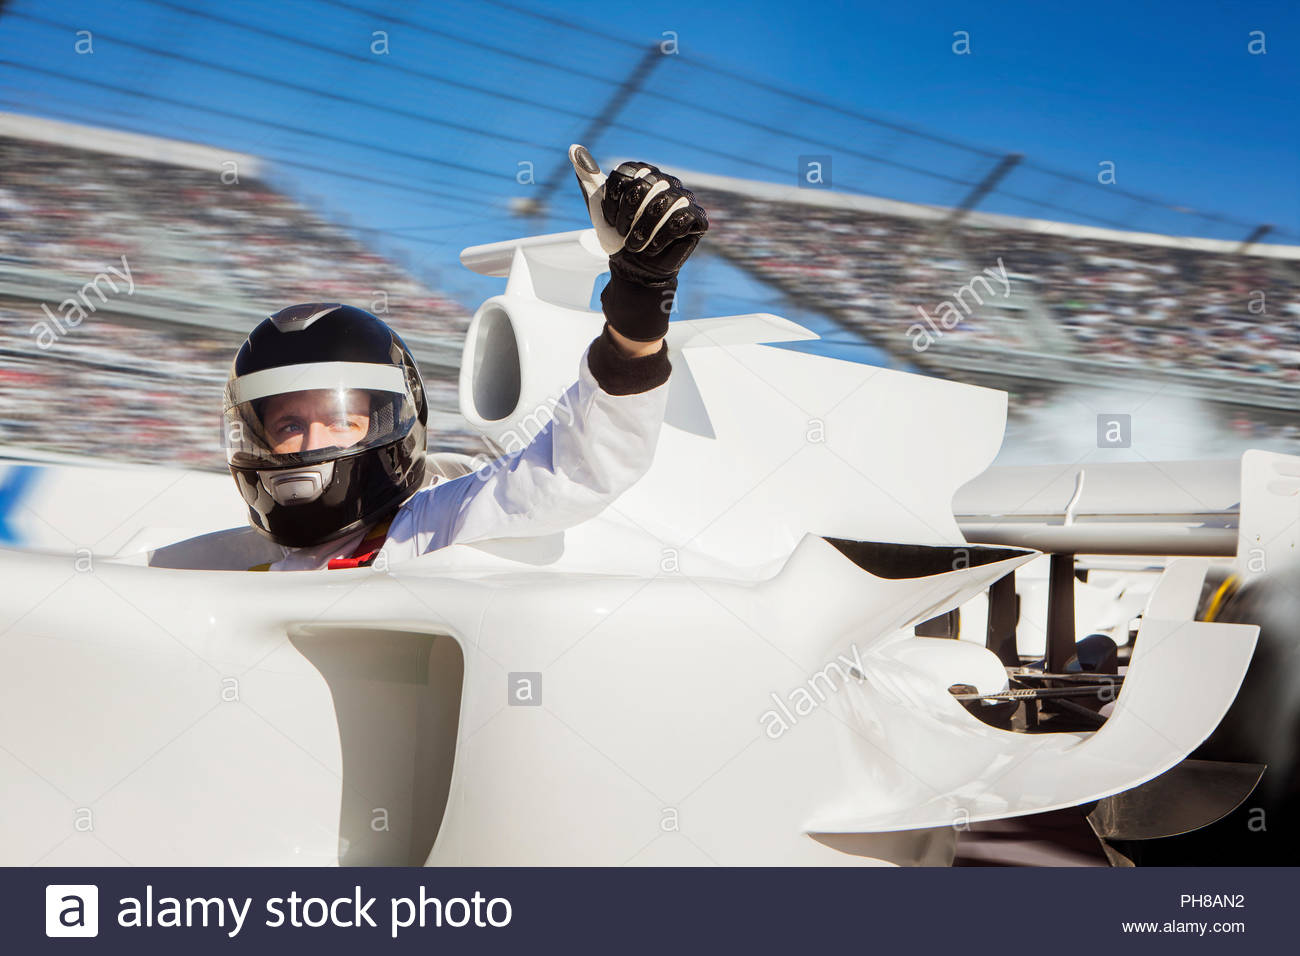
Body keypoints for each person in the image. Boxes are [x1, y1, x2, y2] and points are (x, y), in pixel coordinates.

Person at [219, 149, 708, 571]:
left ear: (391, 425)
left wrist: (639, 303)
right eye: (287, 426)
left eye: (341, 419)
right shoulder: (233, 562)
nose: (311, 442)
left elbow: (577, 470)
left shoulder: (435, 526)